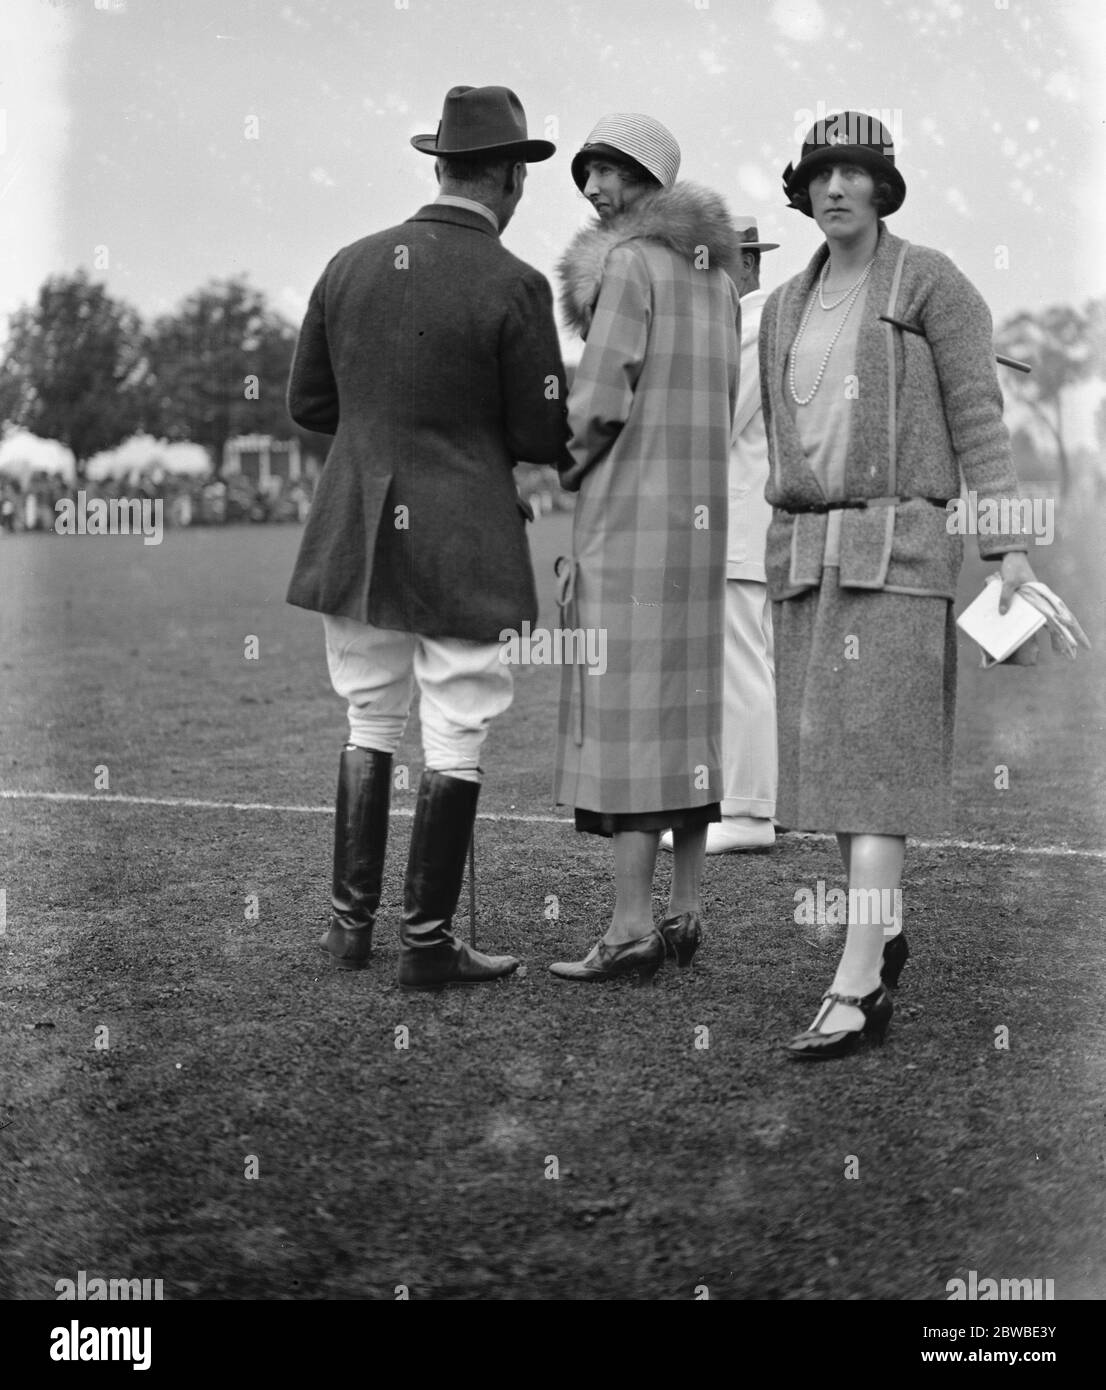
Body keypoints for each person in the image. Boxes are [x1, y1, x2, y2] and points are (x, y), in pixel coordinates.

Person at [762, 111, 1055, 1057]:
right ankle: (882, 933)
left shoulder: (930, 280)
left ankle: (856, 986)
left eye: (855, 172)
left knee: (878, 772)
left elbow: (980, 415)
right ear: (801, 190)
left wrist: (1009, 549)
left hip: (903, 552)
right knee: (839, 777)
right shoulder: (779, 306)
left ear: (884, 187)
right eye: (820, 174)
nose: (836, 187)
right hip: (807, 557)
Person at [286, 85, 569, 989]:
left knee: (368, 713)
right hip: (463, 532)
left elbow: (307, 404)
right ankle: (428, 942)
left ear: (439, 165)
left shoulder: (349, 263)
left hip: (356, 523)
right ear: (511, 182)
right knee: (456, 725)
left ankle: (348, 929)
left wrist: (384, 437)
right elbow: (538, 434)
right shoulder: (517, 283)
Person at [549, 113, 742, 982]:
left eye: (607, 173)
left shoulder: (627, 266)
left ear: (648, 180)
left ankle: (630, 925)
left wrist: (553, 466)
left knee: (628, 719)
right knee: (688, 712)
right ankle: (686, 908)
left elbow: (598, 403)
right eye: (586, 174)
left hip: (630, 521)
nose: (592, 189)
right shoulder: (722, 284)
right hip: (699, 523)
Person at [661, 218, 780, 857]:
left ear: (745, 266)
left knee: (741, 667)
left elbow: (715, 421)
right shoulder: (761, 320)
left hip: (739, 519)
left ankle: (750, 813)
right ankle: (760, 802)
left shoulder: (754, 324)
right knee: (750, 661)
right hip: (746, 520)